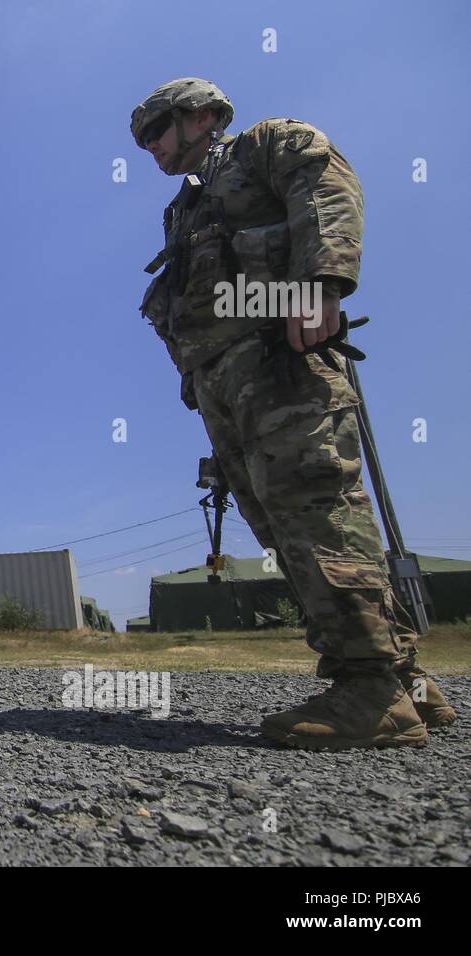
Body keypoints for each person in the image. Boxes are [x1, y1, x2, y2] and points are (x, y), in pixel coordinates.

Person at [132, 78, 456, 749]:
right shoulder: (185, 207)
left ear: (198, 115)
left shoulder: (265, 145)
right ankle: (409, 685)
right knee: (282, 527)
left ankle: (370, 689)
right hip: (225, 382)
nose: (151, 148)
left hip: (280, 355)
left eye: (156, 130)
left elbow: (325, 183)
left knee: (317, 511)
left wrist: (320, 283)